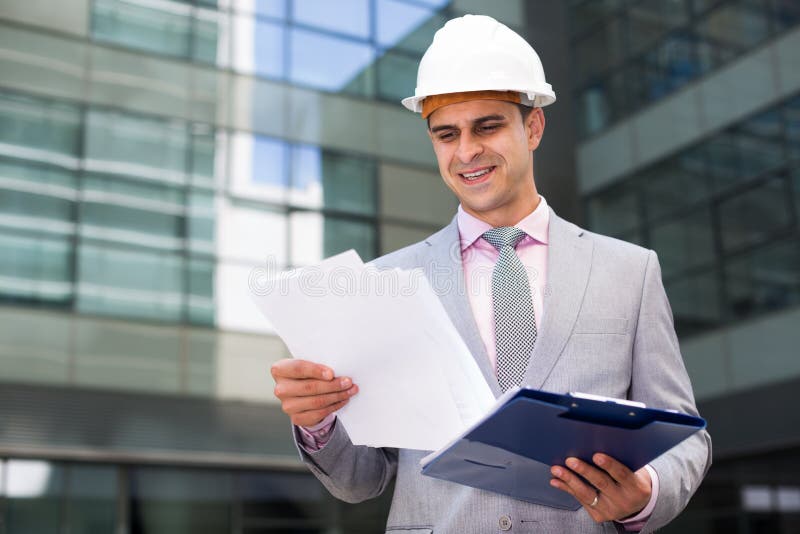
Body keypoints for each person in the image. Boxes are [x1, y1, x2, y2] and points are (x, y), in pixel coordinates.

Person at [271, 14, 711, 534]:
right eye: (446, 134)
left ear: (534, 126)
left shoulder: (629, 272)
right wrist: (318, 421)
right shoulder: (385, 283)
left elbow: (686, 437)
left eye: (487, 126)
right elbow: (361, 479)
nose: (466, 152)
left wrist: (643, 493)